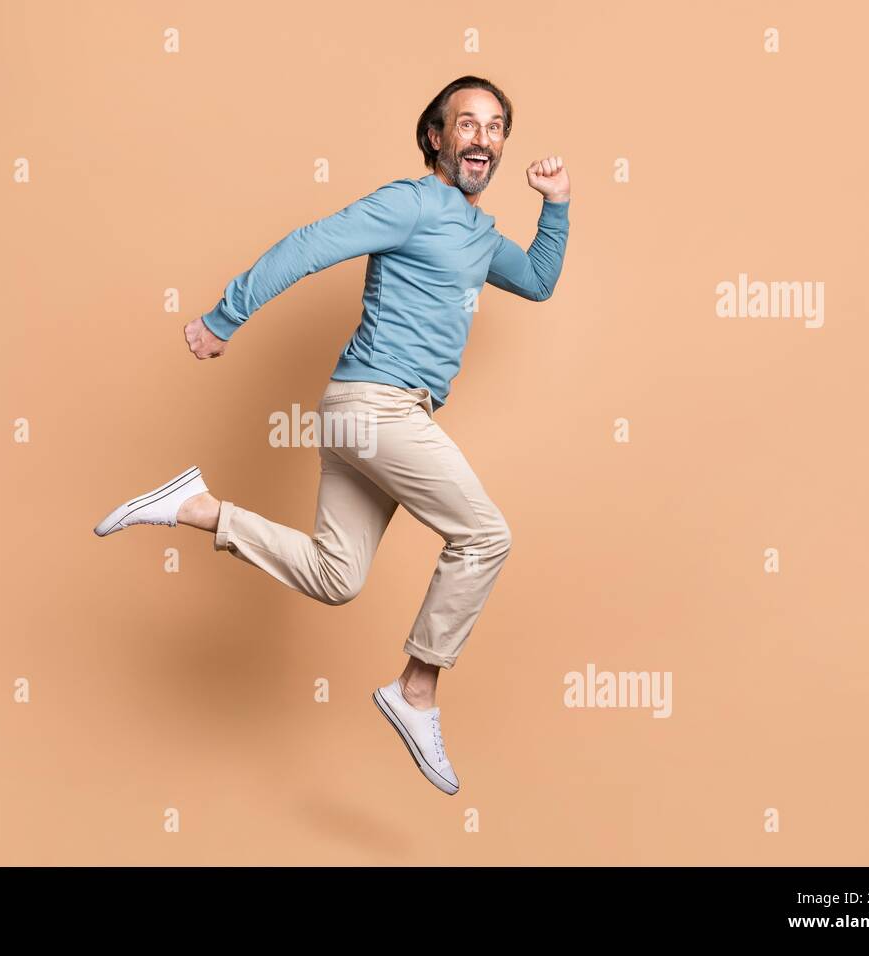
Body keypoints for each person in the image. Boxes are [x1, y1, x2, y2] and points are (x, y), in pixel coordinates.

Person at [95, 75, 571, 795]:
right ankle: (416, 692)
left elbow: (537, 280)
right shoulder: (411, 202)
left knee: (336, 577)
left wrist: (557, 204)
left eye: (496, 125)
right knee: (485, 536)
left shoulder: (478, 235)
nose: (483, 136)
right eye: (465, 123)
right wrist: (226, 316)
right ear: (436, 138)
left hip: (375, 415)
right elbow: (313, 244)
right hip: (376, 408)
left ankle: (199, 508)